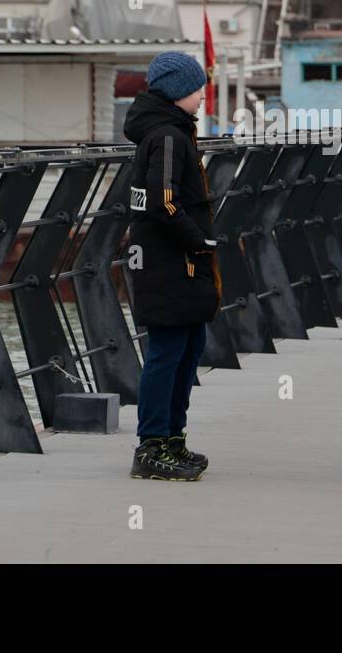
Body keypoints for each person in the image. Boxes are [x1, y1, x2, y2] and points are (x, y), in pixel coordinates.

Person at [123, 51, 222, 481]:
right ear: (178, 90)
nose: (203, 95)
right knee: (167, 353)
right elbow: (163, 202)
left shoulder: (175, 132)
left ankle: (173, 438)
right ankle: (151, 446)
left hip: (181, 264)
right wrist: (198, 241)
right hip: (170, 264)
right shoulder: (166, 136)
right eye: (197, 87)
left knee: (187, 350)